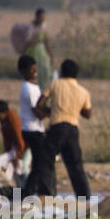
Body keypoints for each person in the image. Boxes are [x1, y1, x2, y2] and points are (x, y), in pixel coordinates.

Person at [36, 58, 92, 199]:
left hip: (57, 128)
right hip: (73, 129)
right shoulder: (83, 91)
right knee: (75, 164)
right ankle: (84, 196)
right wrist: (73, 109)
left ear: (61, 72)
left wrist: (51, 111)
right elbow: (87, 113)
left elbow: (40, 103)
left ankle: (47, 194)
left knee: (46, 159)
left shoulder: (56, 84)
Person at [17, 54, 53, 196]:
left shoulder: (34, 87)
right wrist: (52, 112)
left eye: (35, 68)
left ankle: (31, 190)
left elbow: (40, 107)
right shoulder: (28, 88)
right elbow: (37, 111)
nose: (35, 71)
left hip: (35, 128)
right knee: (40, 163)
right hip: (31, 129)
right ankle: (29, 192)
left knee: (39, 162)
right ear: (23, 71)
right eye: (32, 69)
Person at [10, 8, 54, 90]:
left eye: (44, 17)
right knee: (32, 74)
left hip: (42, 56)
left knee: (45, 74)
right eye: (41, 17)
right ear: (37, 16)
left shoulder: (43, 27)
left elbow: (46, 42)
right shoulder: (30, 28)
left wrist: (50, 55)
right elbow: (28, 43)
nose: (42, 19)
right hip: (32, 54)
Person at [0, 100, 26, 187]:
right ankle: (17, 198)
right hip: (12, 152)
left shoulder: (13, 121)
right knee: (11, 175)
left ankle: (20, 197)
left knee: (18, 173)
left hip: (18, 152)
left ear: (3, 112)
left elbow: (20, 140)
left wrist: (17, 156)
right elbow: (7, 141)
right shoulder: (4, 121)